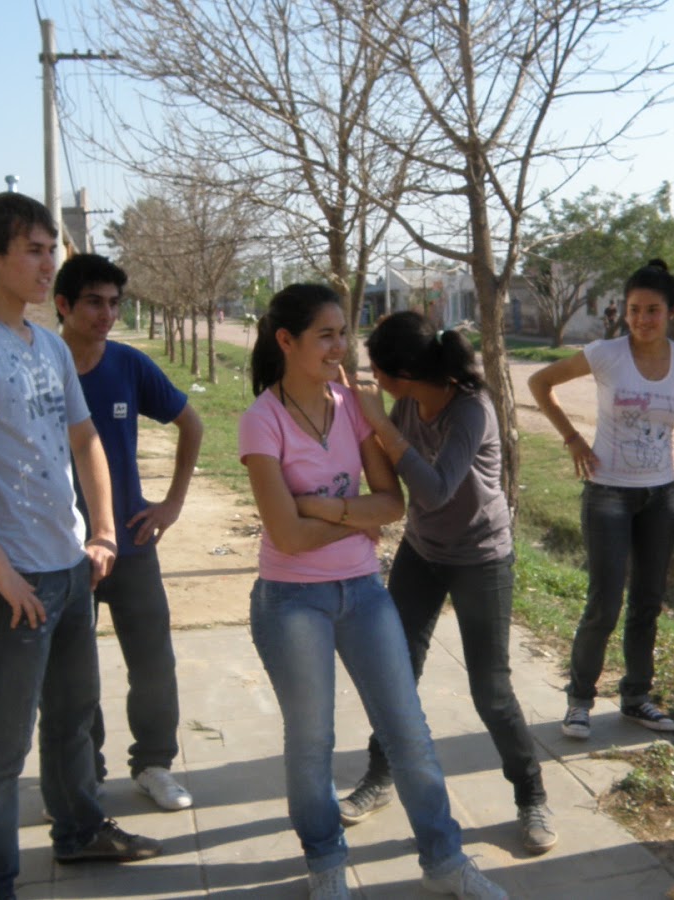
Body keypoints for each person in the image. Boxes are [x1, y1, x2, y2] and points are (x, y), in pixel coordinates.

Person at [0, 194, 161, 900]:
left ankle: (81, 832)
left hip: (68, 568)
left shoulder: (47, 345)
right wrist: (0, 570)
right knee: (0, 744)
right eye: (33, 249)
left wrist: (105, 530)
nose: (47, 261)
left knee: (75, 717)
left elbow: (85, 441)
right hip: (10, 584)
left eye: (51, 249)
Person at [238, 285, 506, 900]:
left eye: (345, 333)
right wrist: (347, 514)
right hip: (292, 600)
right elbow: (286, 535)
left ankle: (444, 860)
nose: (341, 347)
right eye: (326, 335)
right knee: (312, 742)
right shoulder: (262, 420)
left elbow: (393, 504)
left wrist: (323, 506)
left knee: (407, 730)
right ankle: (326, 863)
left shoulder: (353, 406)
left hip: (362, 590)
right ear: (287, 342)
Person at [335, 311, 557, 855]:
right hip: (423, 550)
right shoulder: (409, 401)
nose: (374, 380)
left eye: (377, 371)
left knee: (491, 689)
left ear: (404, 373)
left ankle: (531, 796)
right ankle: (380, 776)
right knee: (396, 669)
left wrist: (380, 423)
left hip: (481, 557)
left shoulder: (471, 410)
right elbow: (397, 479)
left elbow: (434, 491)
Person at [526, 258, 674, 742]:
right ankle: (580, 701)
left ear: (672, 311)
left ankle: (636, 697)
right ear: (622, 312)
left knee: (647, 602)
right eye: (633, 310)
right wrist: (571, 438)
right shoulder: (606, 354)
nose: (642, 320)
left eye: (652, 310)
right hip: (607, 495)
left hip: (660, 498)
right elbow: (539, 383)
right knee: (604, 602)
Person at [54, 253, 203, 811]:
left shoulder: (129, 365)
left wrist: (172, 503)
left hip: (132, 542)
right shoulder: (40, 364)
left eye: (115, 303)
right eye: (94, 301)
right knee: (73, 673)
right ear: (63, 305)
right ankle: (81, 773)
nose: (107, 314)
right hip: (60, 546)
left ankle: (155, 765)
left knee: (152, 661)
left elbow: (192, 422)